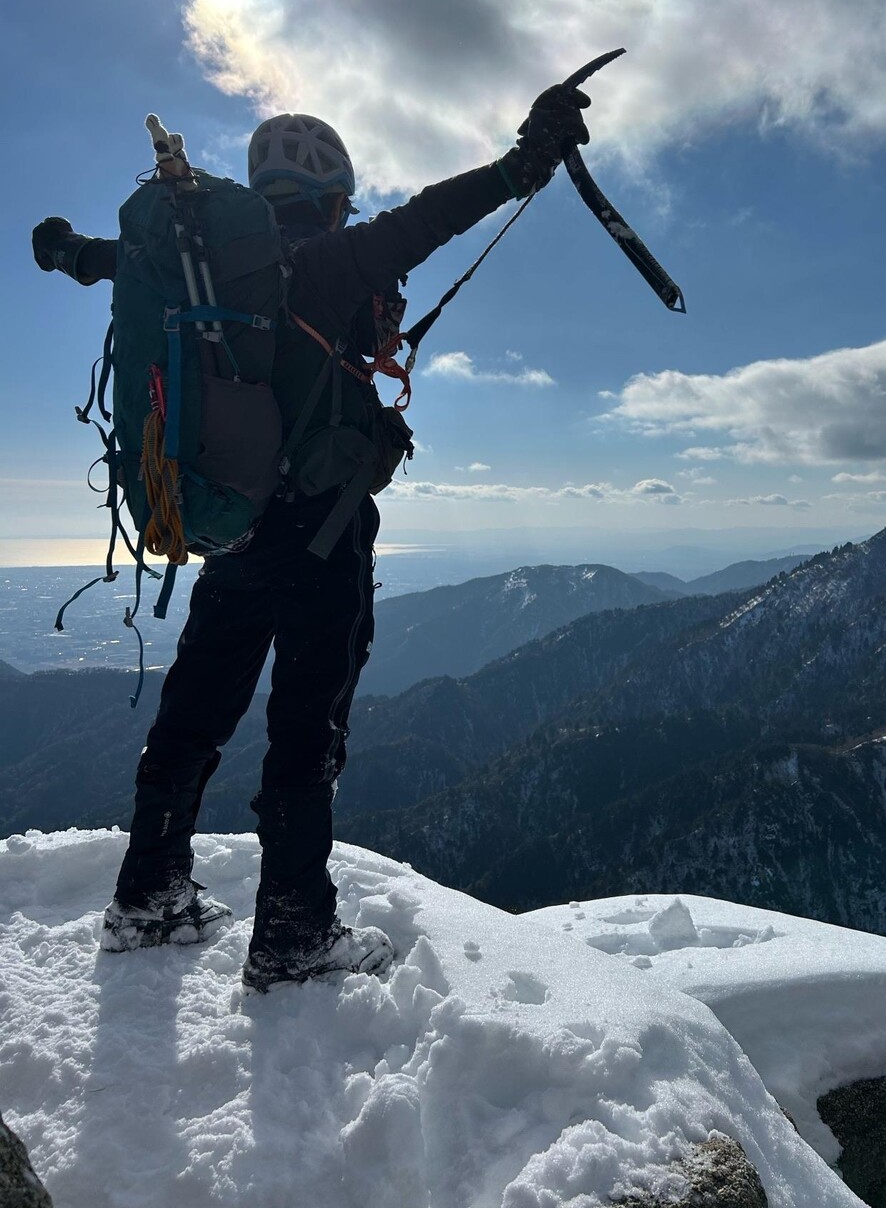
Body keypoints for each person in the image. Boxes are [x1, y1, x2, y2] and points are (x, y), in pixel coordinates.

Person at [31, 85, 590, 991]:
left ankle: (149, 896)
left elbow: (108, 260)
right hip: (322, 535)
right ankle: (293, 933)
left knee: (197, 707)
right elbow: (427, 221)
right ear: (332, 196)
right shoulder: (328, 265)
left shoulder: (199, 270)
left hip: (232, 529)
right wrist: (522, 166)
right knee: (306, 726)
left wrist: (63, 254)